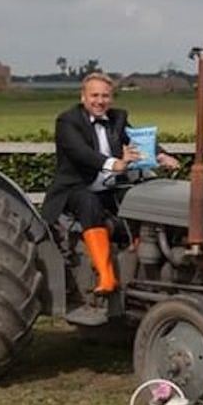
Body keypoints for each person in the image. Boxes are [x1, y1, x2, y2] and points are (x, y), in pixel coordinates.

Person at [44, 72, 180, 302]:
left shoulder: (118, 117)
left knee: (142, 198)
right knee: (89, 202)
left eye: (105, 96)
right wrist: (114, 163)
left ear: (111, 98)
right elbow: (81, 153)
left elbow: (137, 142)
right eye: (95, 95)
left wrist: (161, 155)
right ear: (83, 97)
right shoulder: (67, 121)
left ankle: (142, 264)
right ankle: (106, 276)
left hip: (109, 187)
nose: (100, 101)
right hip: (76, 188)